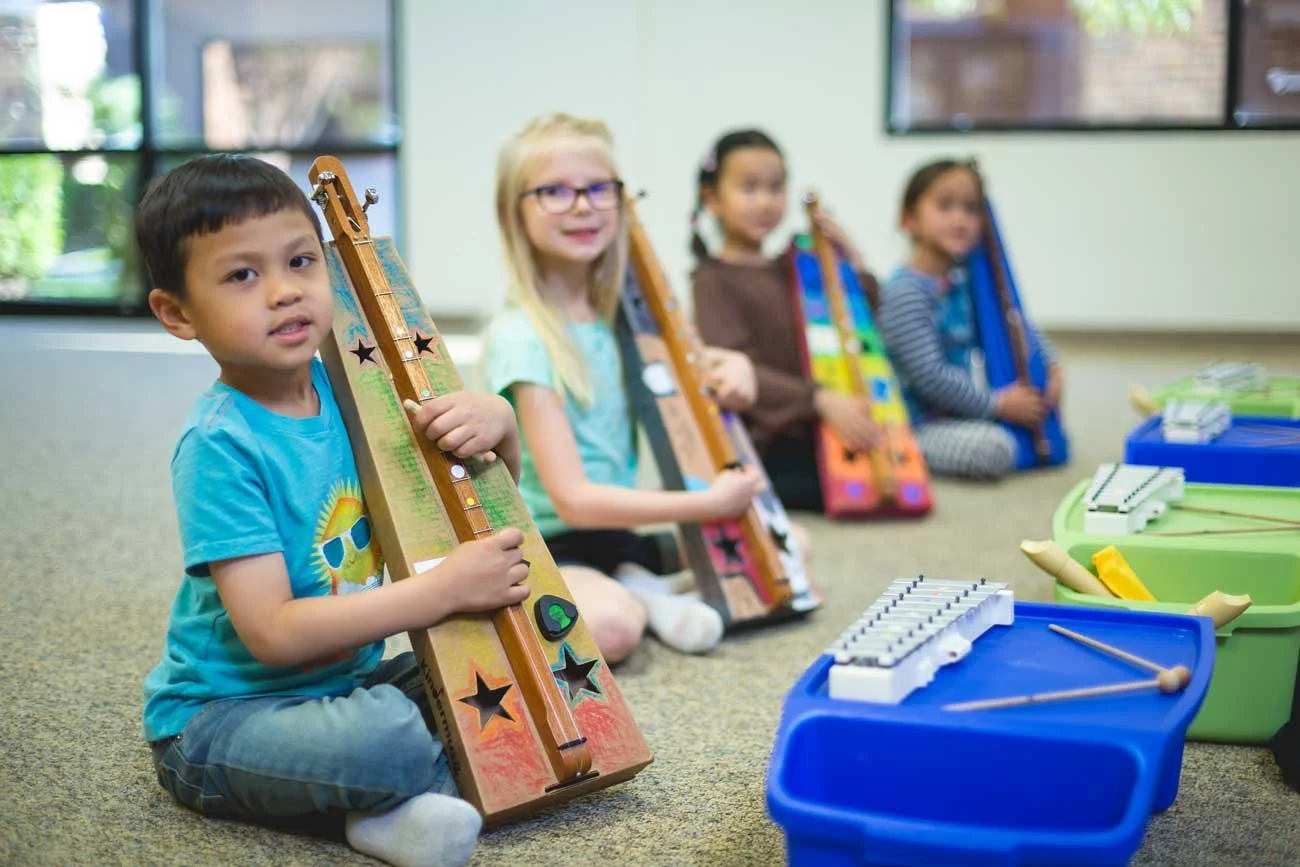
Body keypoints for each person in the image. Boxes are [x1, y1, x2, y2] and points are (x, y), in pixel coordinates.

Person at [139, 154, 522, 867]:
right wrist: (436, 593)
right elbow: (276, 636)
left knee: (498, 666)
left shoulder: (354, 391)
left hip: (346, 682)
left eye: (301, 261)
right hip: (224, 717)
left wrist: (499, 423)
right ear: (177, 313)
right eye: (243, 275)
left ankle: (397, 797)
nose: (284, 291)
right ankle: (373, 813)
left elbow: (478, 515)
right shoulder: (220, 444)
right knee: (391, 737)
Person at [485, 113, 764, 661]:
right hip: (555, 546)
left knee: (787, 548)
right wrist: (702, 504)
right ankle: (645, 595)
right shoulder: (521, 337)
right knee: (612, 629)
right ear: (514, 211)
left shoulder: (621, 322)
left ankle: (642, 584)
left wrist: (736, 367)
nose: (583, 205)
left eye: (597, 189)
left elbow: (698, 362)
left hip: (622, 536)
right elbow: (574, 500)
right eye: (555, 192)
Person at [689, 129, 884, 511]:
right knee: (830, 486)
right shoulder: (712, 280)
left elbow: (865, 310)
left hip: (817, 427)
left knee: (881, 462)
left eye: (776, 188)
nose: (765, 202)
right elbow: (736, 369)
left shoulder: (795, 265)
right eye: (749, 188)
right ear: (712, 199)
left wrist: (848, 253)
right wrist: (819, 400)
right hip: (767, 440)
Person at [877, 159, 1065, 480]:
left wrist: (1052, 363)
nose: (960, 219)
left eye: (971, 208)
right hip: (917, 423)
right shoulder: (906, 291)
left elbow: (1014, 323)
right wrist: (997, 405)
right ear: (909, 220)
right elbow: (930, 376)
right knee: (995, 449)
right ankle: (897, 453)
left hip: (956, 415)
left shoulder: (964, 281)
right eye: (945, 206)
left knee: (1023, 436)